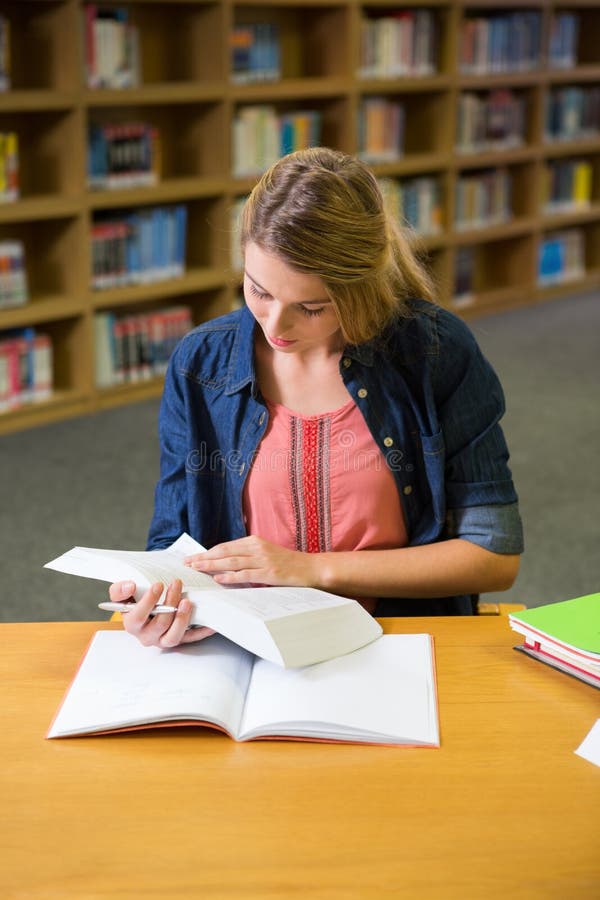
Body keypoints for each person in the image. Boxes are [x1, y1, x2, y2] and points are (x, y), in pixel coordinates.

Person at [109, 146, 524, 647]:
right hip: (249, 646)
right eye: (259, 290)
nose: (274, 326)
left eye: (310, 307)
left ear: (360, 290)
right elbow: (172, 544)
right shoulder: (201, 363)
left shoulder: (435, 352)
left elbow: (494, 554)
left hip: (395, 639)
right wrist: (162, 605)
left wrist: (311, 570)